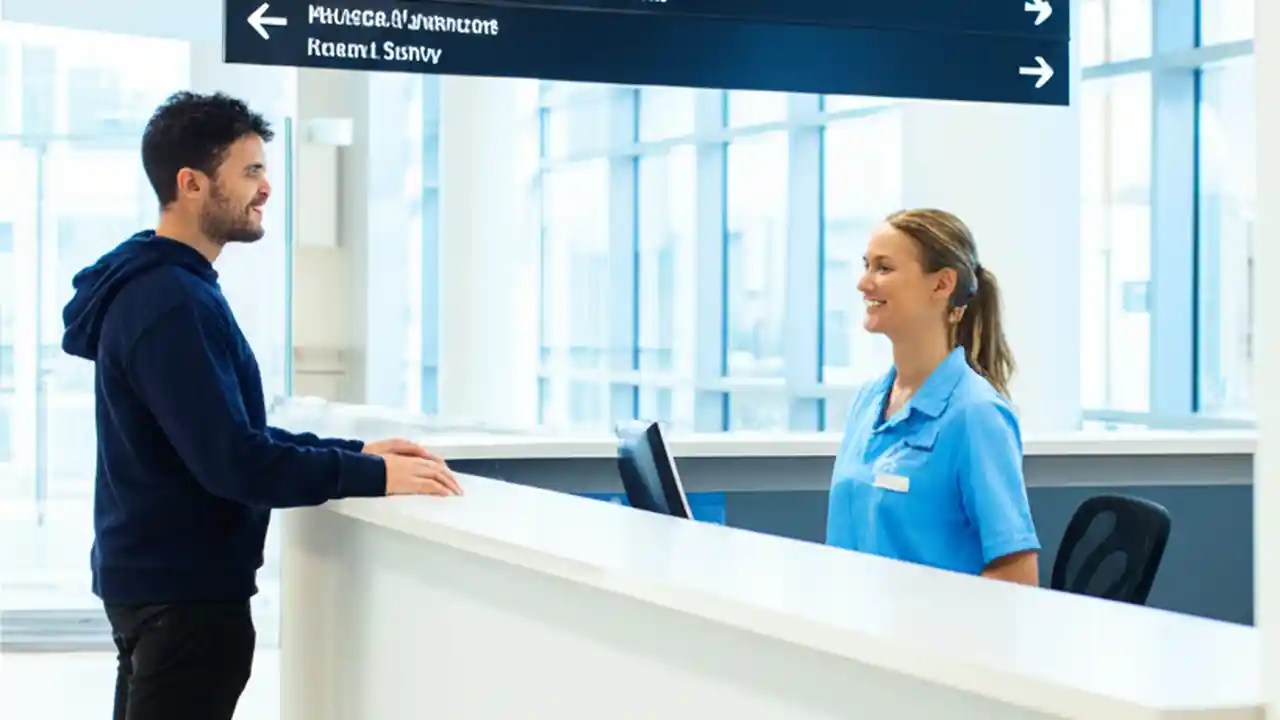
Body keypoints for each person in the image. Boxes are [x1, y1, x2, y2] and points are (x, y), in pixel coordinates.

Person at [60, 91, 462, 720]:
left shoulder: (164, 289)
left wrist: (353, 451)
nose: (268, 187)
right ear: (191, 183)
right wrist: (371, 475)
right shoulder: (173, 303)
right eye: (250, 170)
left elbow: (231, 432)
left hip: (162, 587)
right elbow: (234, 463)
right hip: (184, 601)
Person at [826, 208, 1040, 585]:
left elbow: (1017, 576)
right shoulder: (868, 401)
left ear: (941, 285)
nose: (863, 283)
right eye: (866, 265)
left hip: (928, 640)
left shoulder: (976, 414)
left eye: (884, 268)